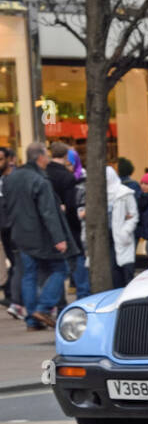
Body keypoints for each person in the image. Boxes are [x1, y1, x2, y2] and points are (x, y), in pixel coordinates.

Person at [0, 142, 70, 331]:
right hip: (40, 235)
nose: (47, 160)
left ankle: (32, 319)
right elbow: (48, 212)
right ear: (40, 157)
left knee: (29, 275)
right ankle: (43, 307)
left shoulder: (11, 178)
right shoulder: (40, 180)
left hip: (19, 234)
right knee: (61, 269)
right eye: (46, 156)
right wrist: (59, 238)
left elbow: (6, 207)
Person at [46, 142, 90, 300]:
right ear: (65, 157)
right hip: (70, 227)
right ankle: (83, 294)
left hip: (48, 227)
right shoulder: (67, 177)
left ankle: (58, 303)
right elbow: (71, 206)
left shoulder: (44, 173)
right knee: (76, 260)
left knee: (56, 266)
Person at [103, 166, 139, 288]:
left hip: (122, 236)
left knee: (127, 270)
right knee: (114, 271)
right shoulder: (99, 194)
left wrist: (126, 231)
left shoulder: (125, 193)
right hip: (107, 238)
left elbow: (133, 215)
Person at [0, 145, 23, 319]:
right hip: (5, 227)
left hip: (15, 226)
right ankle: (13, 297)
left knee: (18, 262)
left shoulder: (15, 178)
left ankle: (15, 298)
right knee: (14, 262)